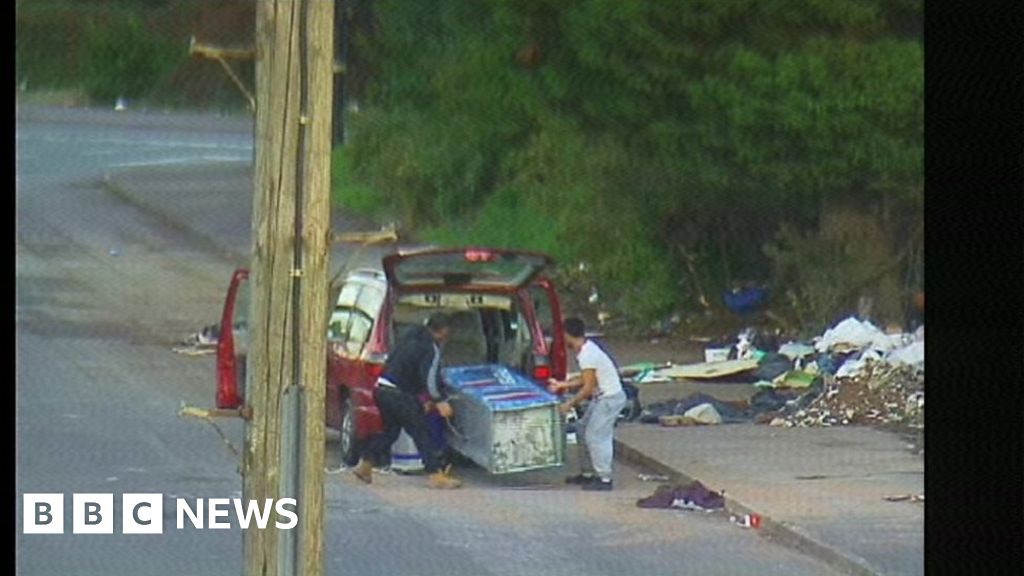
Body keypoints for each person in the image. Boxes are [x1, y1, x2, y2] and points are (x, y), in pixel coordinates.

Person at [352, 313, 462, 489]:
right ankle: (436, 475)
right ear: (443, 331)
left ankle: (365, 464)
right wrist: (439, 400)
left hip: (381, 389)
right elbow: (430, 379)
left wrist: (421, 399)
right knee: (422, 432)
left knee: (390, 432)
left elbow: (407, 367)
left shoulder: (409, 336)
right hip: (399, 394)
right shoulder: (430, 348)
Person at [547, 317, 627, 491]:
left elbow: (588, 387)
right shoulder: (587, 350)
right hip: (603, 397)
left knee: (596, 436)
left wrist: (570, 403)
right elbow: (586, 378)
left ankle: (605, 478)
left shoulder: (587, 354)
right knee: (582, 430)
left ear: (567, 334)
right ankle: (588, 473)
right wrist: (563, 385)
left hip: (610, 398)